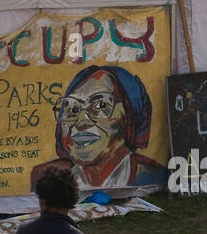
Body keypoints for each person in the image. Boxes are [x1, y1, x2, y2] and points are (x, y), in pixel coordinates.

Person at [29, 65, 167, 191]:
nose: (81, 120)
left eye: (100, 106)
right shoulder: (44, 177)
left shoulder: (152, 175)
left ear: (129, 116)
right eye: (73, 108)